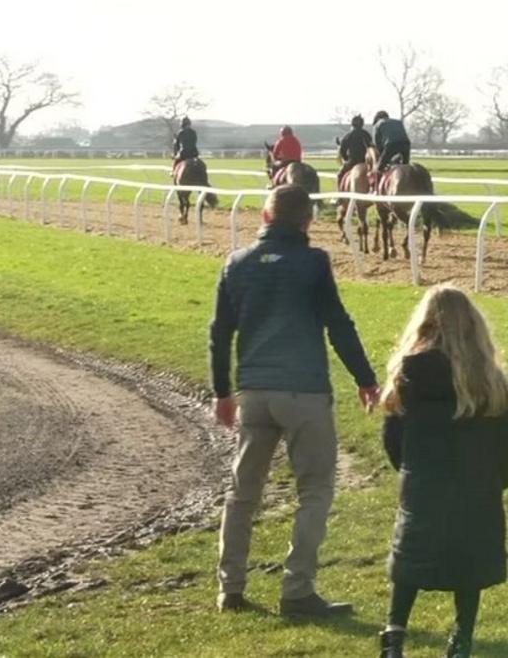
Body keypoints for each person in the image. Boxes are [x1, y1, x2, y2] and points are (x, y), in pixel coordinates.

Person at [209, 184, 380, 617]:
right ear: (307, 222)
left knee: (242, 494)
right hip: (304, 392)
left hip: (254, 395)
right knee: (316, 490)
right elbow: (338, 324)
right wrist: (365, 379)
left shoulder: (236, 263)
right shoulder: (314, 262)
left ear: (264, 218)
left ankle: (230, 588)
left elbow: (219, 334)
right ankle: (297, 590)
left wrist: (222, 392)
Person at [376, 285, 508, 658]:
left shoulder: (408, 376)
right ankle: (462, 637)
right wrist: (497, 480)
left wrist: (411, 471)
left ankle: (394, 635)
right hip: (476, 486)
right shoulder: (492, 383)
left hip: (424, 484)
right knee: (469, 562)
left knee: (410, 560)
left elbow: (394, 439)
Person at [336, 114, 374, 186]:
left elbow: (342, 150)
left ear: (352, 124)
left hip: (353, 161)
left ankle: (340, 194)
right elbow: (371, 147)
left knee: (340, 174)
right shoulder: (367, 134)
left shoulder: (349, 135)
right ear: (362, 124)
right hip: (366, 161)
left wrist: (346, 159)